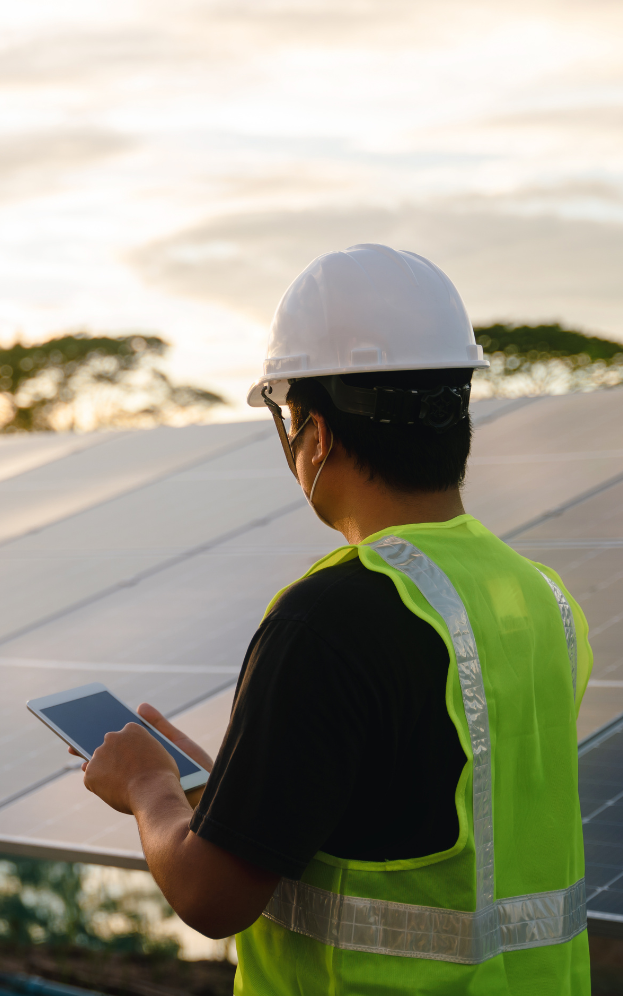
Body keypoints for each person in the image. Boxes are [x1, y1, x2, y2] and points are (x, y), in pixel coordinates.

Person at [78, 244, 592, 994]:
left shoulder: (329, 620)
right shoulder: (543, 601)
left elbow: (212, 897)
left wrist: (149, 785)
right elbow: (413, 812)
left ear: (314, 436)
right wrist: (233, 792)